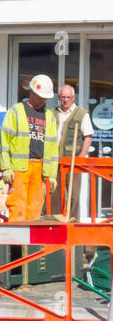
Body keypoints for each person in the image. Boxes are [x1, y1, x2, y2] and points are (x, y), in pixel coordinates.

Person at [0, 75, 59, 221]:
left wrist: (51, 175)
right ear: (31, 93)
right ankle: (16, 243)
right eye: (40, 97)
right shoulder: (16, 111)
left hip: (39, 168)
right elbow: (4, 142)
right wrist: (6, 167)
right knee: (17, 207)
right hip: (19, 169)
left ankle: (31, 242)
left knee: (35, 207)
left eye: (45, 98)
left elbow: (52, 149)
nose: (42, 101)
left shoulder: (49, 116)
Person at [56, 83, 92, 220]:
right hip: (56, 161)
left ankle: (73, 224)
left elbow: (87, 138)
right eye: (63, 97)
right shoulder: (52, 113)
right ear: (59, 97)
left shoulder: (81, 114)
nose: (65, 100)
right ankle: (55, 224)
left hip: (73, 161)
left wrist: (80, 158)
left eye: (68, 97)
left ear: (73, 98)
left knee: (73, 195)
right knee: (55, 195)